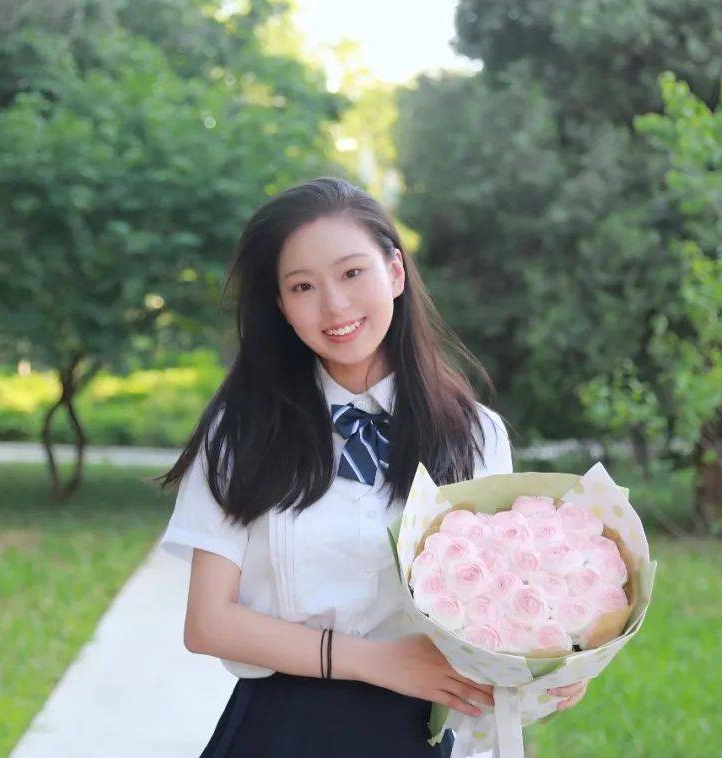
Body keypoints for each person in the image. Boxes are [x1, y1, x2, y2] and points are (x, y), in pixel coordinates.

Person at [155, 177, 587, 757]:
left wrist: (558, 659)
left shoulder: (474, 434)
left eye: (352, 273)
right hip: (281, 731)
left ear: (396, 273)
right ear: (281, 306)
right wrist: (377, 662)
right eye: (303, 286)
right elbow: (208, 623)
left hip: (420, 731)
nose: (335, 305)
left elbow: (499, 600)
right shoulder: (241, 431)